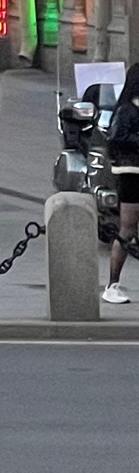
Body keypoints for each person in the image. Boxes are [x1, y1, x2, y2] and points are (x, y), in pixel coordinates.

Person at [100, 64, 139, 304]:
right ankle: (112, 284)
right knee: (127, 228)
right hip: (132, 173)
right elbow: (117, 138)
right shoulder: (127, 110)